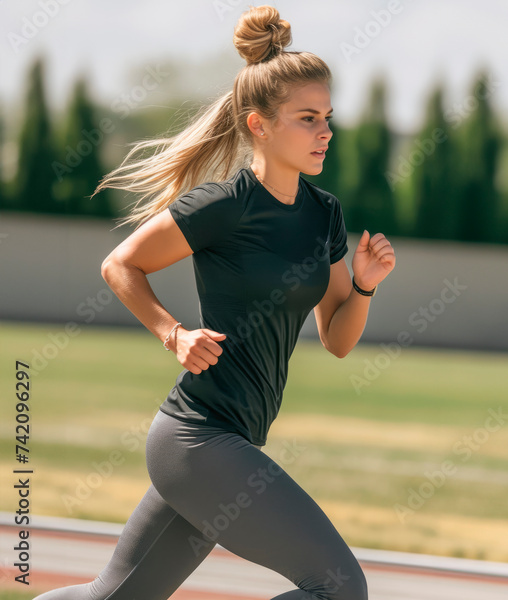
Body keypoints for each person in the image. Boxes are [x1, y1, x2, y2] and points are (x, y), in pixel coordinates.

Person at [33, 5, 392, 600]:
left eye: (327, 117)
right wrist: (174, 333)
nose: (325, 131)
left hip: (231, 442)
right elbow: (120, 264)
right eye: (307, 119)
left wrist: (363, 285)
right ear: (259, 125)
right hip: (197, 440)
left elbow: (338, 338)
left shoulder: (323, 213)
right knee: (338, 586)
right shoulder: (225, 204)